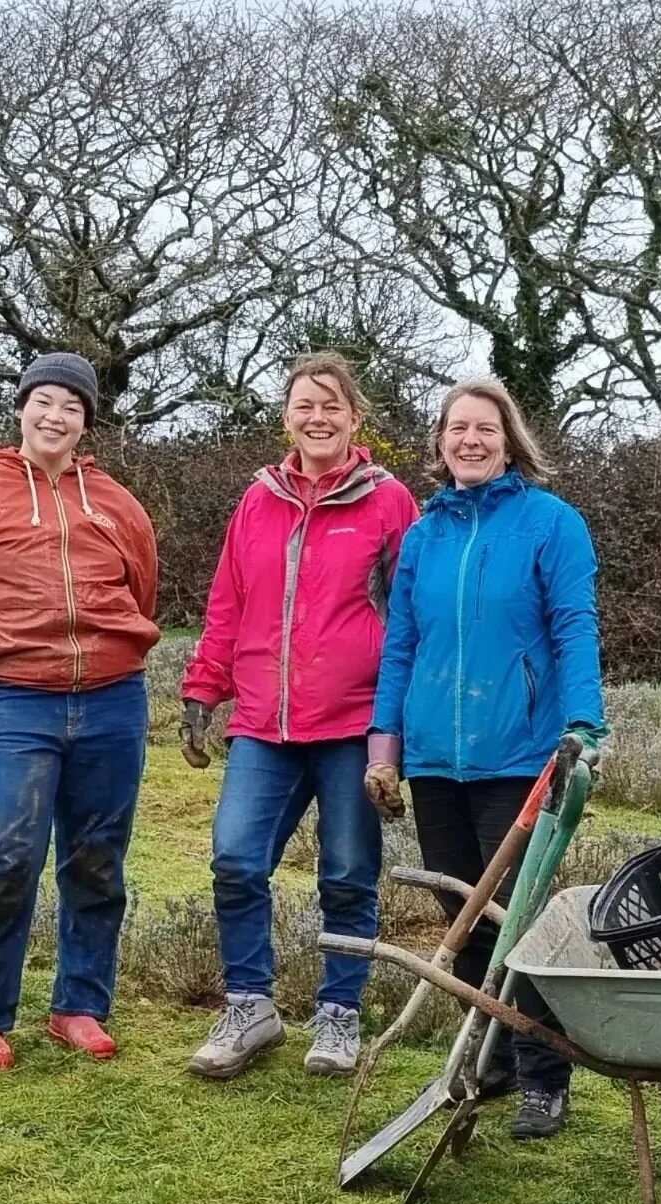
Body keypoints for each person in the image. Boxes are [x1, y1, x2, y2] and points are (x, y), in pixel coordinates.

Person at [365, 379, 605, 1140]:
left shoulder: (550, 524)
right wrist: (384, 748)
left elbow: (574, 629)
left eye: (485, 429)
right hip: (436, 757)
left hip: (522, 756)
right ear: (439, 441)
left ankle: (545, 1076)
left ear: (510, 440)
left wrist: (583, 727)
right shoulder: (423, 538)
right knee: (462, 916)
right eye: (456, 428)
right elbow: (400, 645)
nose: (470, 440)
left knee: (519, 921)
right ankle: (491, 1056)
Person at [0, 353, 159, 1070]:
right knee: (2, 856)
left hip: (111, 700)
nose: (56, 416)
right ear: (21, 407)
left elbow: (142, 591)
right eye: (44, 402)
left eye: (71, 407)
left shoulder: (116, 502)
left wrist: (108, 660)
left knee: (97, 858)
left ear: (87, 421)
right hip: (10, 701)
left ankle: (80, 1004)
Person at [181, 353, 420, 1080]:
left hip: (352, 725)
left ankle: (339, 1016)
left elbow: (411, 619)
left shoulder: (389, 502)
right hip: (263, 722)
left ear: (356, 418)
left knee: (347, 875)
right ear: (286, 416)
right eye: (304, 405)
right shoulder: (259, 500)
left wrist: (397, 734)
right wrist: (202, 689)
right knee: (235, 860)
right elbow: (229, 603)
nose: (317, 417)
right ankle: (250, 1007)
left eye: (332, 406)